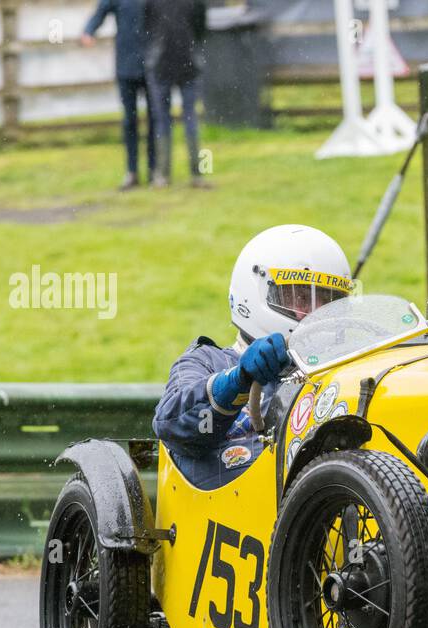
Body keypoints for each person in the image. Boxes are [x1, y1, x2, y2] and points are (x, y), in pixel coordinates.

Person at [153, 226, 354, 489]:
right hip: (235, 512)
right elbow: (173, 426)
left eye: (327, 302)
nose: (313, 314)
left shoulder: (344, 370)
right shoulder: (207, 360)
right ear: (255, 291)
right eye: (301, 298)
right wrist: (239, 380)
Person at [81, 0, 155, 190]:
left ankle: (155, 170)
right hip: (126, 67)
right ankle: (132, 172)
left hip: (152, 65)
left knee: (154, 120)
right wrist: (89, 32)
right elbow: (100, 13)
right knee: (130, 121)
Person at [143, 0, 209, 188]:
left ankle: (163, 175)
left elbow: (145, 27)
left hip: (161, 64)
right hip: (187, 61)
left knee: (163, 120)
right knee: (190, 118)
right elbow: (201, 28)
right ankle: (197, 174)